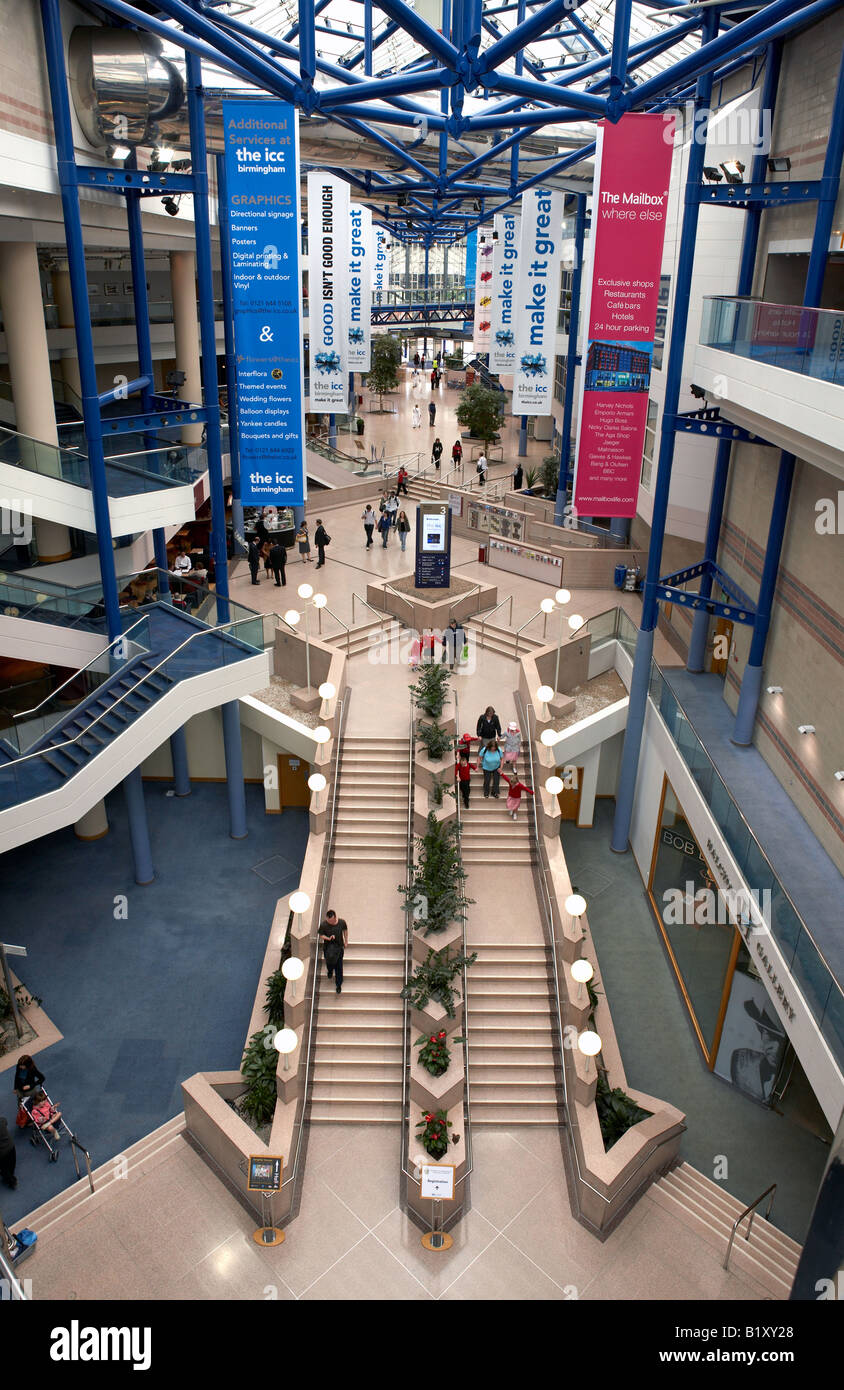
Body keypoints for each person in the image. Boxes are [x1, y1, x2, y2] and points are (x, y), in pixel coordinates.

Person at [319, 909, 348, 994]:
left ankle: (338, 984)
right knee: (329, 963)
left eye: (331, 921)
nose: (329, 923)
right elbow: (321, 935)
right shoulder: (324, 924)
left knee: (339, 967)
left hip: (339, 948)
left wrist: (346, 941)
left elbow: (345, 931)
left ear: (335, 918)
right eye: (328, 921)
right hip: (328, 948)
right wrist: (328, 938)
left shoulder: (342, 922)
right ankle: (330, 970)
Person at [0, 1116, 17, 1189]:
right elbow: (5, 1121)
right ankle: (11, 1174)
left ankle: (11, 1181)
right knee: (12, 1163)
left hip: (1, 1152)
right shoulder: (1, 1120)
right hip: (10, 1146)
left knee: (4, 1168)